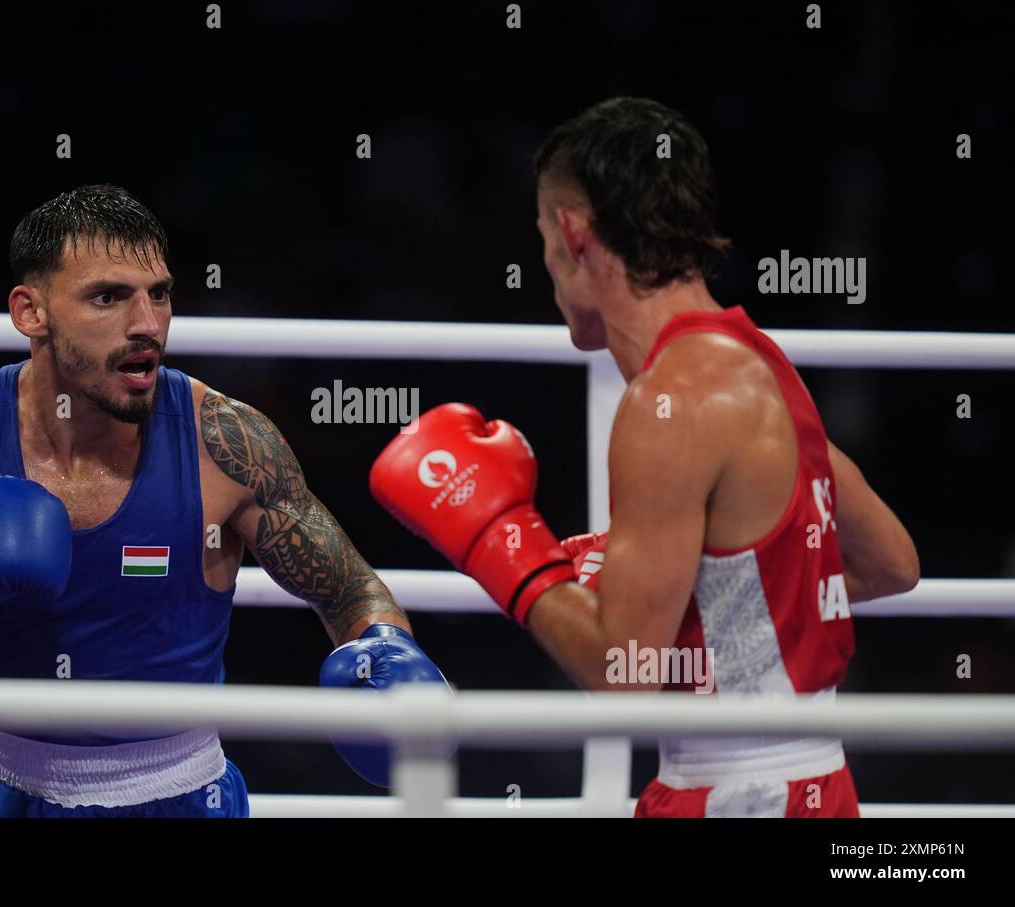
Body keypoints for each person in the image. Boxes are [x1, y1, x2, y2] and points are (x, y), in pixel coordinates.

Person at [0, 184, 446, 817]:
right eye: (108, 297)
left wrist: (390, 655)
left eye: (160, 294)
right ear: (30, 312)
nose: (147, 325)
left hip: (176, 795)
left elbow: (349, 592)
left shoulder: (224, 442)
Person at [369, 98, 919, 818]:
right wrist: (705, 596)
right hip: (812, 786)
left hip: (734, 796)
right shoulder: (759, 362)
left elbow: (620, 672)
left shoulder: (669, 404)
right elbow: (891, 562)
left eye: (541, 238)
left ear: (573, 234)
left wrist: (503, 546)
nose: (544, 266)